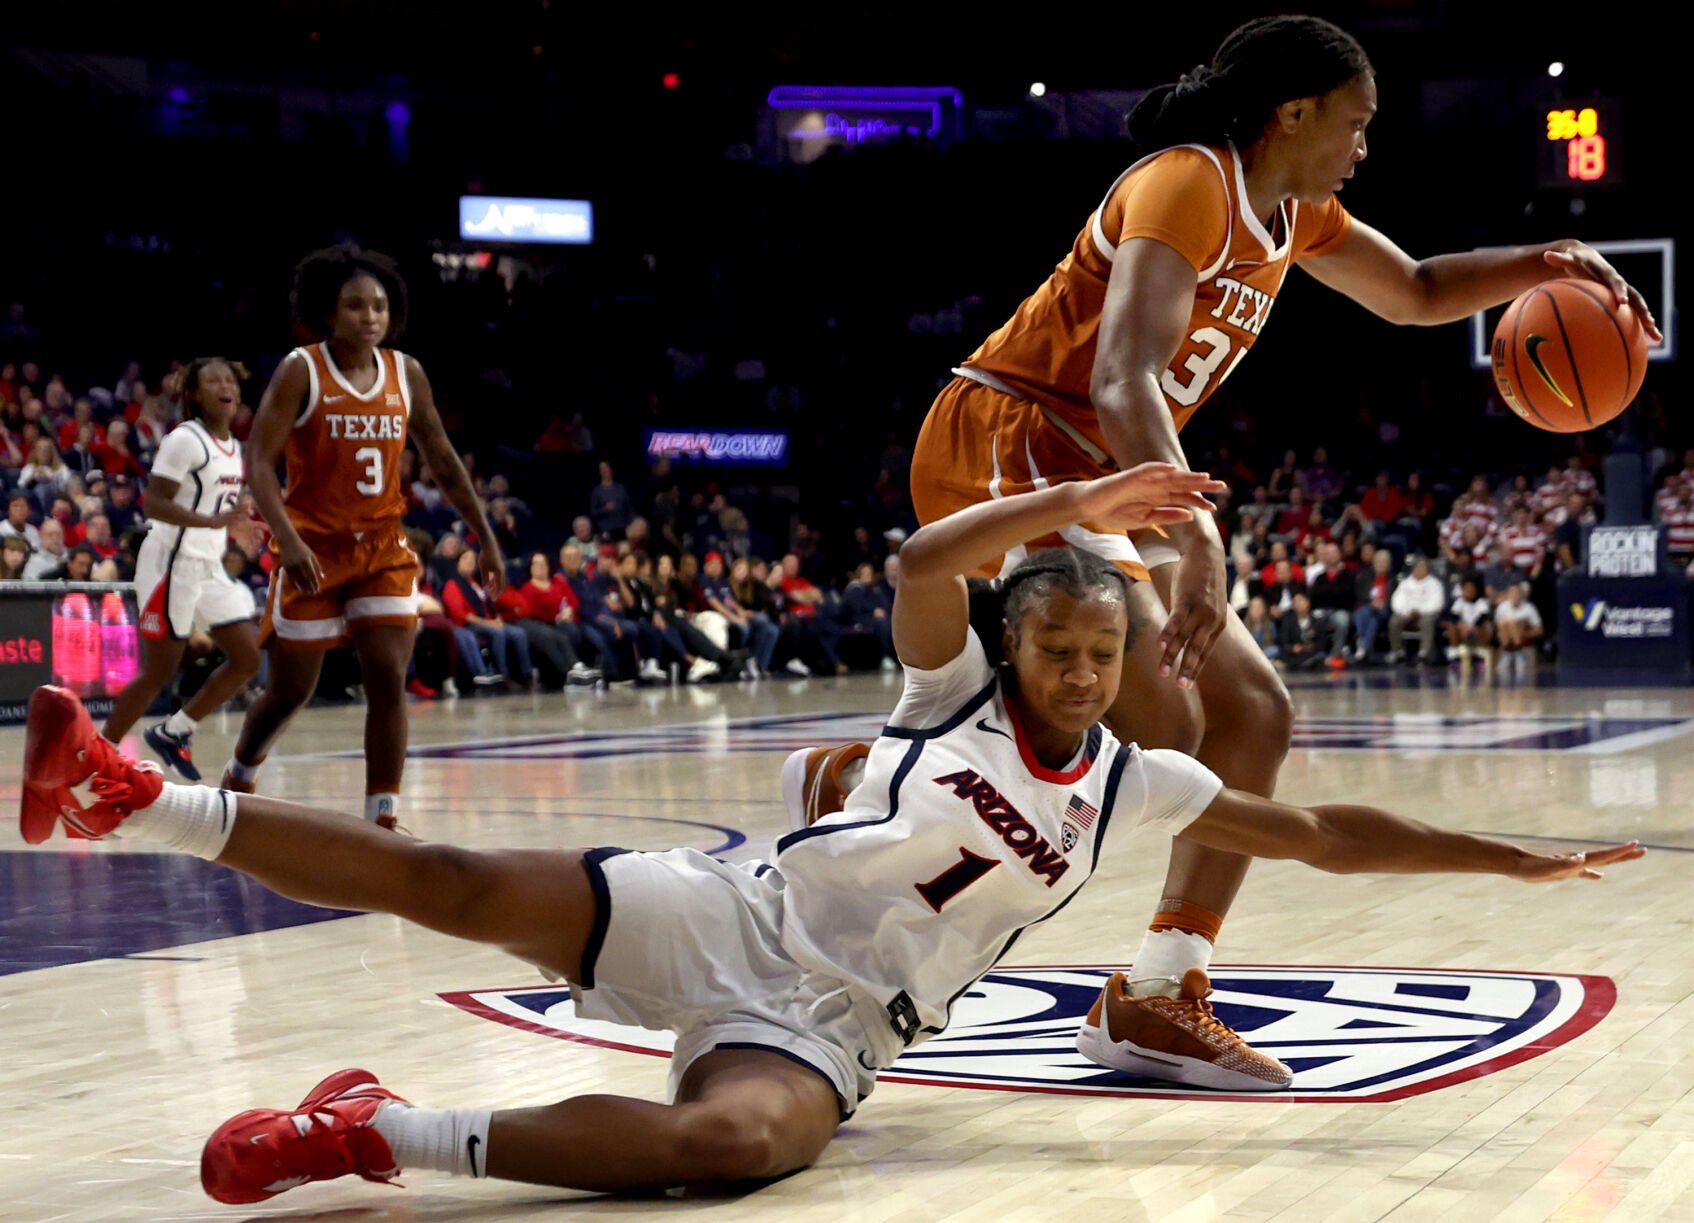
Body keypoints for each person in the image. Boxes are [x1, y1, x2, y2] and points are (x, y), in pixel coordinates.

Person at [14, 463, 1644, 1204]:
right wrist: (1073, 505)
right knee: (449, 882)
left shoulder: (1137, 779)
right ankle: (138, 796)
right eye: (1058, 643)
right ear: (1018, 644)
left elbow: (1327, 832)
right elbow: (932, 546)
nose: (1080, 668)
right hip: (719, 914)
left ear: (1131, 667)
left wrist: (1511, 861)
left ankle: (372, 1131)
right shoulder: (943, 680)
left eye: (1103, 653)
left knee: (723, 1152)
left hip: (831, 1025)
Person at [796, 12, 1661, 1085]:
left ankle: (1159, 986)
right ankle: (871, 781)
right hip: (1014, 437)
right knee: (1166, 714)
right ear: (1291, 112)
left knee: (1252, 712)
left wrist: (1548, 259)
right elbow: (1120, 378)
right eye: (1353, 121)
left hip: (1113, 463)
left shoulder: (1292, 214)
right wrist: (1196, 532)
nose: (1361, 144)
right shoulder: (1185, 183)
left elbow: (1421, 293)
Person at [226, 245, 501, 829]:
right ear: (330, 311)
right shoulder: (303, 369)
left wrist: (485, 534)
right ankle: (241, 772)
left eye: (378, 306)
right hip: (312, 550)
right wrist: (287, 540)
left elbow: (445, 462)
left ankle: (383, 814)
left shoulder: (408, 373)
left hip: (382, 548)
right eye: (354, 305)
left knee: (386, 675)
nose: (368, 316)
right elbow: (258, 461)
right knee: (290, 691)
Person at [100, 359, 263, 775]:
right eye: (213, 380)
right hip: (171, 562)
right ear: (193, 393)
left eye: (229, 379)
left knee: (247, 657)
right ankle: (99, 751)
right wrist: (213, 522)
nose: (225, 386)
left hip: (207, 563)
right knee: (160, 670)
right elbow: (153, 503)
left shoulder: (234, 446)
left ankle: (174, 731)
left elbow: (215, 504)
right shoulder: (184, 439)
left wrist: (239, 523)